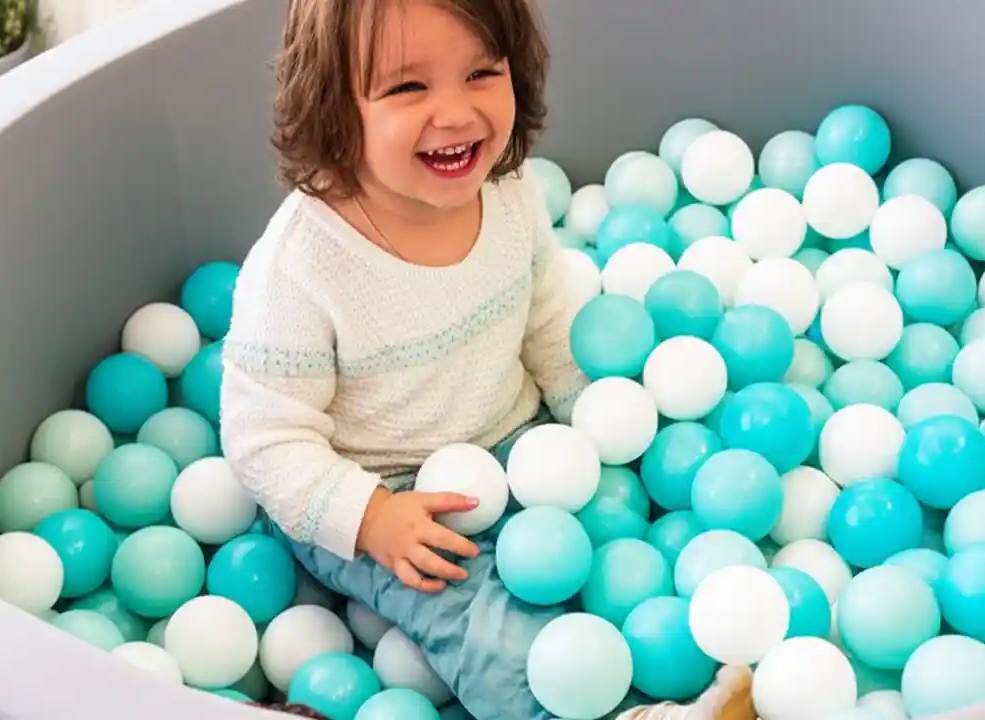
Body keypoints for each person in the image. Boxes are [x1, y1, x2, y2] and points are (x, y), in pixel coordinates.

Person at [219, 1, 756, 718]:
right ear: (334, 112)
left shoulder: (507, 188)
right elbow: (264, 439)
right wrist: (373, 519)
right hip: (386, 495)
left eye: (482, 72)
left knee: (621, 544)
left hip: (517, 442)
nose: (456, 111)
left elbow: (547, 310)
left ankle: (716, 660)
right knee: (489, 631)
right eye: (409, 88)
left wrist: (589, 411)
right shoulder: (302, 267)